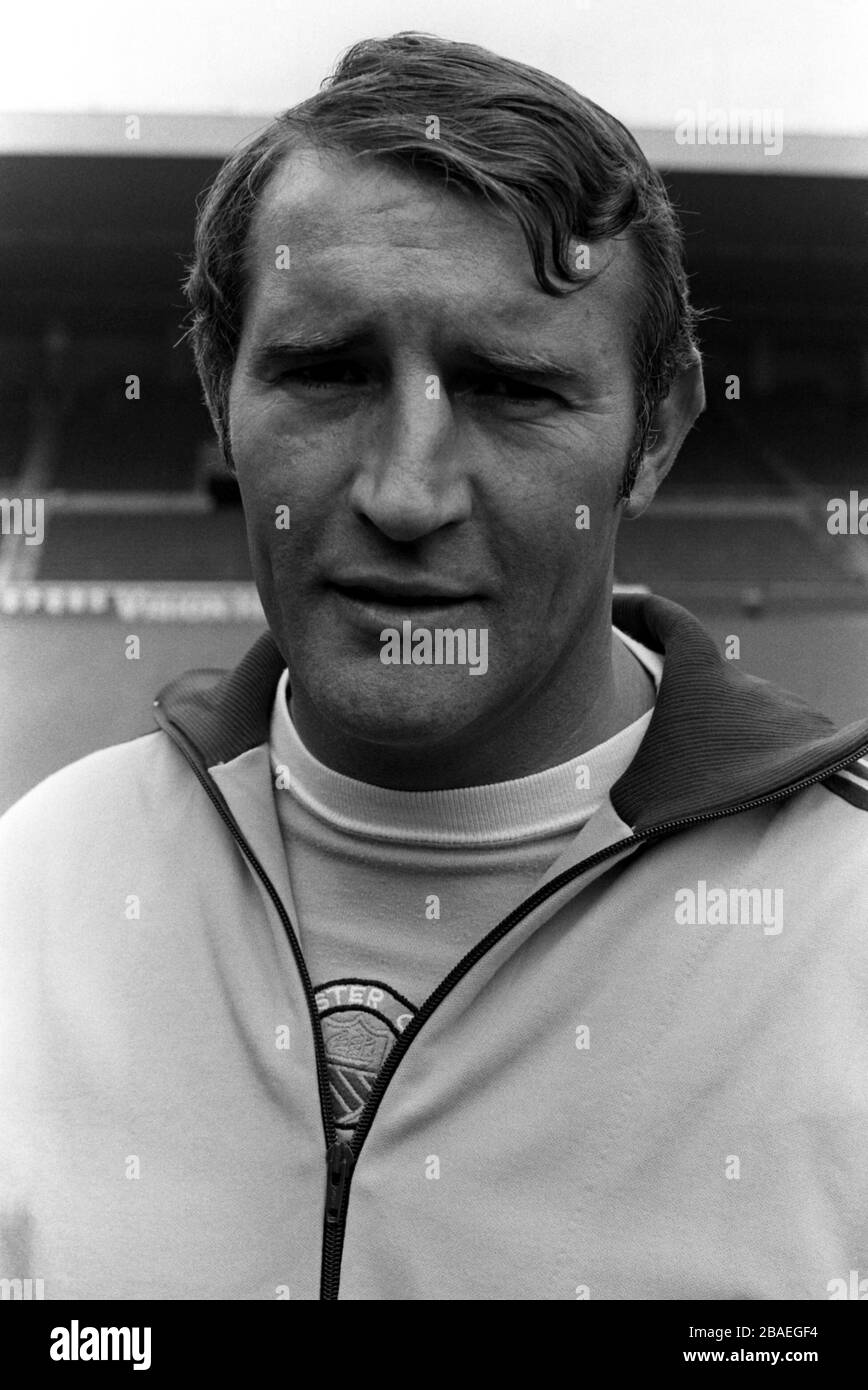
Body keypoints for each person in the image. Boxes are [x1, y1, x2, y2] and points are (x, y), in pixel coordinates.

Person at [2, 32, 867, 1302]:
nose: (406, 493)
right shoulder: (37, 889)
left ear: (659, 429)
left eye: (512, 387)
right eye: (324, 372)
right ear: (215, 389)